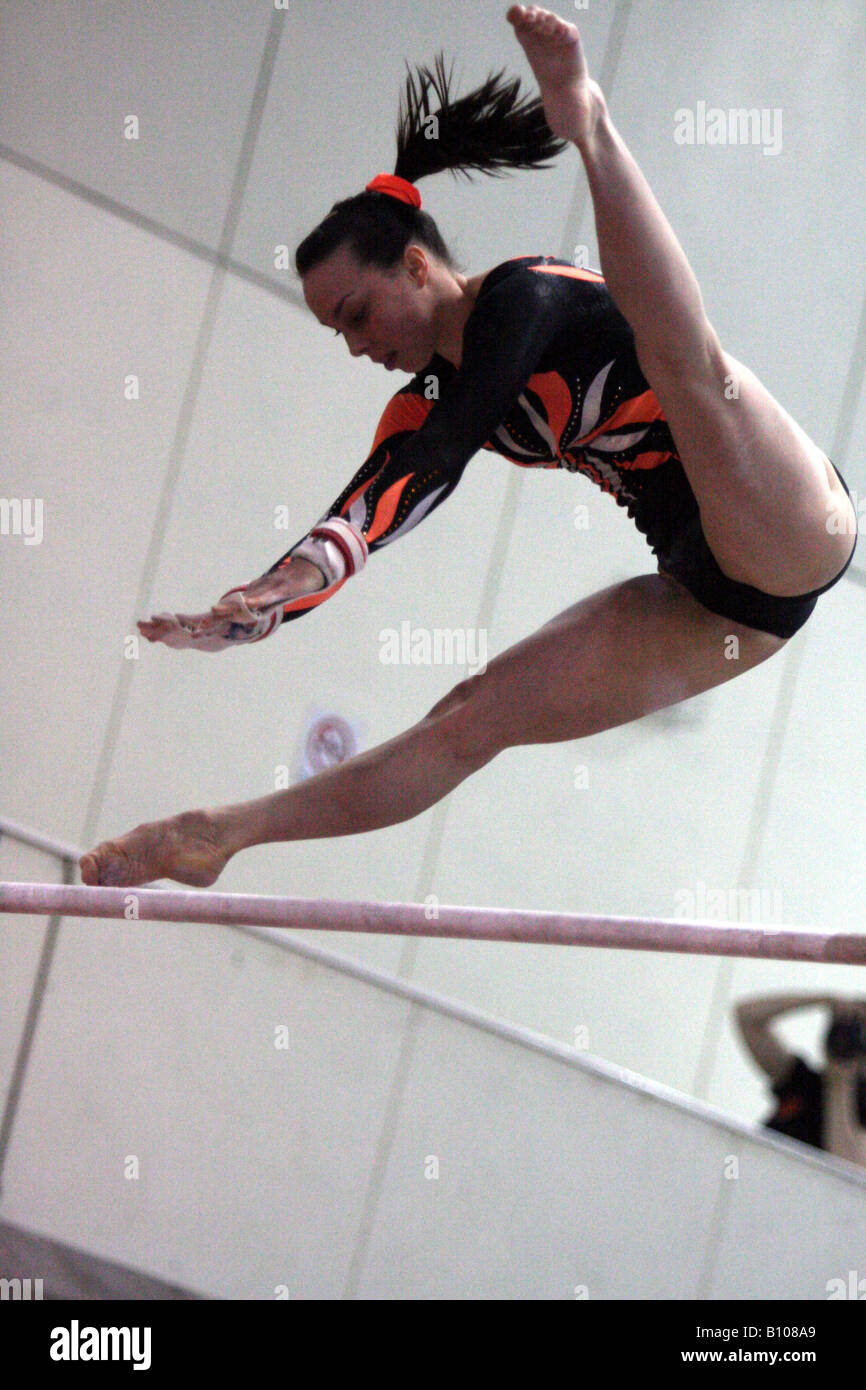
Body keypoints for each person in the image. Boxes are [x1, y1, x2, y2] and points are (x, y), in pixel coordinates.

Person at [79, 6, 857, 890]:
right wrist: (268, 599)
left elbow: (445, 451)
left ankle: (590, 127)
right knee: (470, 716)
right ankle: (219, 833)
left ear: (417, 266)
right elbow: (370, 506)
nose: (355, 345)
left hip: (789, 521)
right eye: (336, 331)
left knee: (682, 361)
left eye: (356, 314)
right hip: (717, 600)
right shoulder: (427, 405)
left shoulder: (527, 298)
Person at [736, 995, 866, 1166]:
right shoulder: (802, 1080)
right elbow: (747, 1016)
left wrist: (841, 1085)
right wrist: (823, 999)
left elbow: (848, 1169)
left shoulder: (861, 1106)